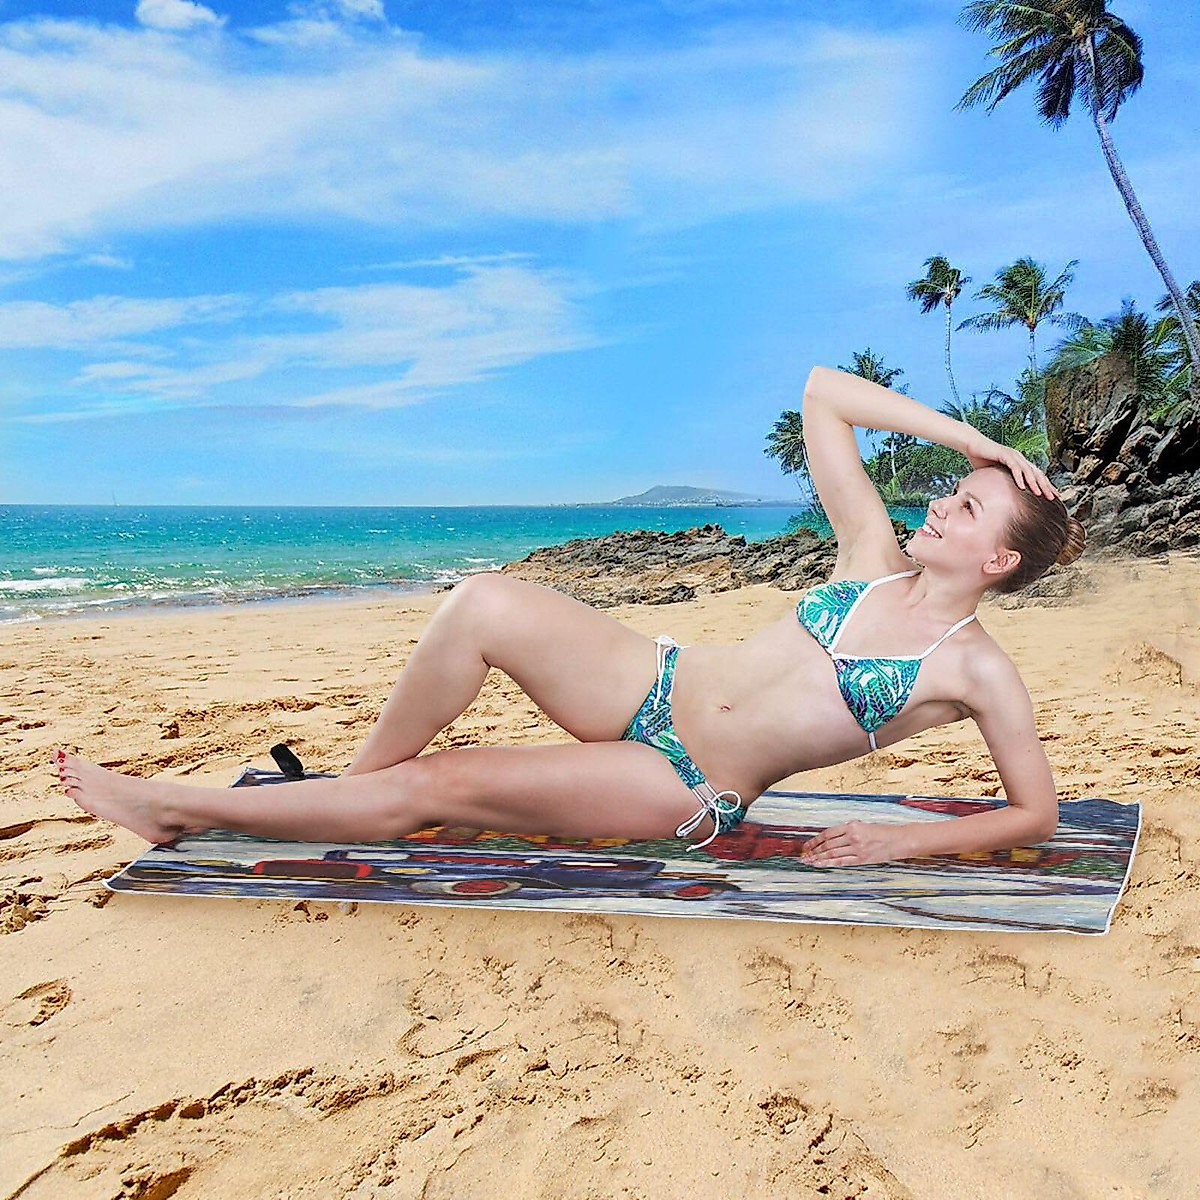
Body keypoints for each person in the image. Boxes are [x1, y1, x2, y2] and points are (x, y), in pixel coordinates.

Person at [55, 365, 1085, 867]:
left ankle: (178, 808)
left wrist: (896, 843)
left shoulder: (975, 670)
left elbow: (1033, 814)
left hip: (685, 781)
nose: (939, 504)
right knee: (482, 603)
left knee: (442, 785)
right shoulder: (869, 559)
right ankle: (345, 794)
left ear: (998, 562)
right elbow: (824, 394)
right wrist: (975, 441)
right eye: (953, 489)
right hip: (657, 678)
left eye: (965, 507)